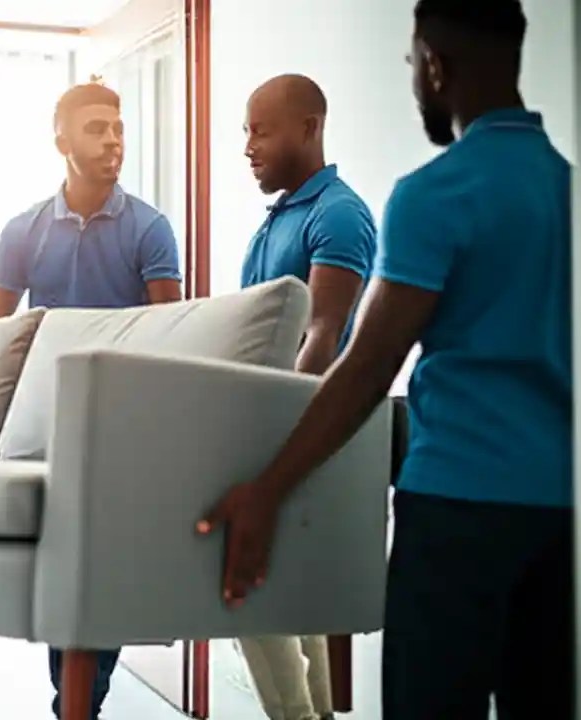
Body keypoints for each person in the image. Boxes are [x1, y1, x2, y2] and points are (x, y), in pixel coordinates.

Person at [199, 1, 573, 718]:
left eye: (411, 64)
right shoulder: (580, 193)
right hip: (565, 513)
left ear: (433, 65)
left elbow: (367, 364)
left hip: (455, 509)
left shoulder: (433, 194)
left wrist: (268, 486)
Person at [0, 82, 183, 719]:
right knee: (65, 566)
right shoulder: (23, 230)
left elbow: (171, 332)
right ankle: (73, 703)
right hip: (44, 422)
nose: (113, 140)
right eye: (97, 129)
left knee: (105, 569)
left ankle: (78, 705)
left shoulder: (150, 228)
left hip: (123, 426)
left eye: (118, 128)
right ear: (62, 141)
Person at [234, 74, 376, 720]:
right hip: (267, 427)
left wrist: (275, 443)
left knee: (243, 581)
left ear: (309, 128)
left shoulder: (338, 213)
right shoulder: (277, 219)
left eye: (261, 131)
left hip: (303, 432)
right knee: (278, 585)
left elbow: (324, 333)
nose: (248, 147)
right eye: (246, 132)